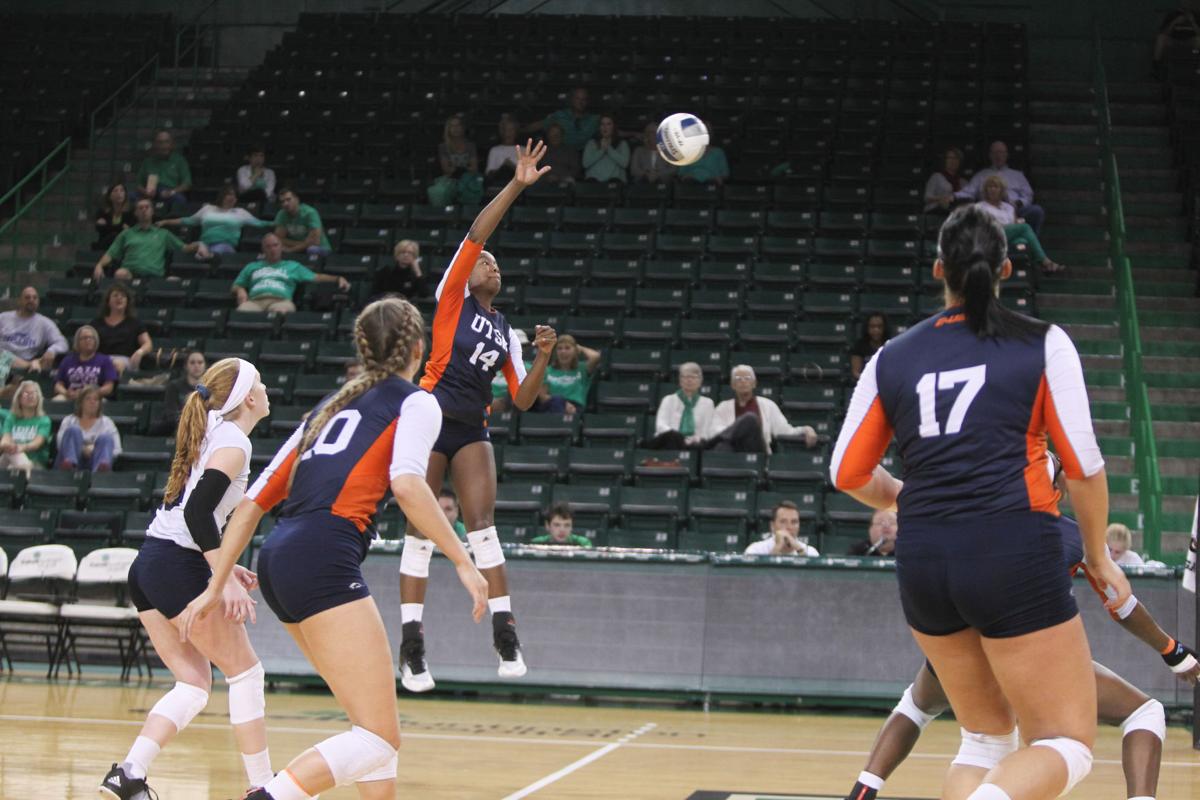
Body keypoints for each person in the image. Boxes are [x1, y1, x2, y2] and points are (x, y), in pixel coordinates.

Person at [829, 204, 1130, 800]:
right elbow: (1085, 468)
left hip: (923, 561)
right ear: (1008, 269)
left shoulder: (893, 356)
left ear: (939, 268)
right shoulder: (1042, 343)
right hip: (1011, 550)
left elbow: (845, 472)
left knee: (986, 738)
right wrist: (1097, 555)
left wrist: (898, 494)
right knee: (1066, 741)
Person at [178, 298, 489, 800]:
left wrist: (217, 584)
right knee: (381, 735)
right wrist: (462, 560)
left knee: (369, 728)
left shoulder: (327, 406)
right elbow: (408, 485)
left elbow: (254, 502)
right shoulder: (415, 400)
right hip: (323, 554)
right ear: (418, 348)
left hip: (281, 555)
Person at [843, 502, 1200, 800]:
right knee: (1130, 719)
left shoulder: (957, 516)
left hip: (955, 641)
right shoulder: (1071, 533)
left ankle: (863, 789)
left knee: (977, 741)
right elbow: (1122, 605)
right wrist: (1172, 650)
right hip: (1031, 650)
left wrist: (865, 787)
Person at [399, 140, 558, 694]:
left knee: (482, 526)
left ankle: (504, 631)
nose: (493, 264)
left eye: (496, 264)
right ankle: (412, 645)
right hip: (426, 413)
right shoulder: (451, 298)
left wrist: (539, 357)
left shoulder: (507, 330)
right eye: (486, 262)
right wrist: (517, 184)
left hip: (470, 425)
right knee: (420, 529)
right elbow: (478, 233)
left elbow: (521, 399)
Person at [98, 357, 272, 800]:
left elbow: (193, 517)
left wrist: (226, 564)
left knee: (194, 683)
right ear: (249, 397)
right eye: (263, 384)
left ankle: (129, 773)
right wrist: (222, 578)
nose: (269, 391)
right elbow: (196, 513)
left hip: (150, 563)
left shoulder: (213, 429)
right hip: (176, 563)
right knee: (247, 673)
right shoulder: (234, 441)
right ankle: (262, 788)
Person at [707, 365, 817, 454]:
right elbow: (714, 431)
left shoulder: (768, 405)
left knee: (750, 419)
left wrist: (805, 429)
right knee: (722, 446)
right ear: (732, 385)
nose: (743, 382)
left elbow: (785, 431)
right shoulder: (723, 407)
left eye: (747, 378)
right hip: (733, 451)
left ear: (754, 384)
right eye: (738, 379)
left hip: (758, 452)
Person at [93, 197, 211, 280]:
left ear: (152, 211)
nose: (144, 210)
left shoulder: (163, 234)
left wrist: (199, 244)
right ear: (136, 213)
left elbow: (184, 248)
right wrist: (99, 265)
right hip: (130, 274)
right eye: (140, 208)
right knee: (120, 273)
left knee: (174, 282)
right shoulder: (126, 234)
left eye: (147, 207)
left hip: (155, 277)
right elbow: (111, 253)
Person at [232, 233, 350, 315]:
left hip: (280, 301)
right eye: (268, 247)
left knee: (280, 312)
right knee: (242, 312)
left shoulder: (292, 266)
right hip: (255, 301)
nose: (272, 249)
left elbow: (316, 277)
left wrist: (337, 278)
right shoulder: (252, 266)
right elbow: (236, 285)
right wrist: (240, 290)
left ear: (281, 247)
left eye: (275, 245)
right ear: (263, 250)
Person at [976, 175, 1066, 276]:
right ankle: (1046, 262)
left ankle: (1030, 276)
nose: (993, 189)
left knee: (1023, 241)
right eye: (990, 187)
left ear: (1001, 190)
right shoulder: (980, 207)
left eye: (996, 187)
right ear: (985, 190)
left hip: (1008, 237)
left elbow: (1014, 223)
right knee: (1025, 228)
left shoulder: (1008, 207)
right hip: (992, 236)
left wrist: (1017, 223)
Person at [954, 140, 1045, 234]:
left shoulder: (1017, 175)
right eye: (995, 153)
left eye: (1001, 152)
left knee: (1036, 211)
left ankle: (1027, 242)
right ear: (990, 155)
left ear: (1006, 155)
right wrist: (952, 196)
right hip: (990, 210)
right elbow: (968, 192)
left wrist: (1017, 203)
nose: (998, 156)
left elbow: (1028, 195)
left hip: (1015, 209)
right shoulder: (981, 175)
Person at [158, 185, 271, 255]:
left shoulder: (240, 212)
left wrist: (278, 223)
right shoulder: (208, 209)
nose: (233, 197)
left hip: (226, 247)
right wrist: (166, 221)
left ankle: (204, 254)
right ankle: (202, 251)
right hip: (206, 244)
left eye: (235, 195)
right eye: (229, 194)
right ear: (223, 195)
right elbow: (189, 221)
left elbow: (260, 223)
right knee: (197, 247)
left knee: (216, 249)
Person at [0, 286, 68, 373]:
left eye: (34, 298)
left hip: (22, 369)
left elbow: (63, 343)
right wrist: (29, 364)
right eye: (27, 297)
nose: (31, 300)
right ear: (19, 301)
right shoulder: (3, 318)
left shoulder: (45, 323)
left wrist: (52, 351)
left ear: (38, 301)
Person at [648, 362, 714, 450]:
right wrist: (680, 438)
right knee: (672, 437)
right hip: (670, 441)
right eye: (686, 377)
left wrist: (694, 440)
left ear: (700, 381)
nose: (689, 380)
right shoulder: (668, 400)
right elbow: (661, 425)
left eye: (693, 377)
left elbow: (706, 431)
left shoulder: (708, 403)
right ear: (680, 380)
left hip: (694, 444)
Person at [55, 386, 121, 472]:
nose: (92, 402)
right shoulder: (69, 420)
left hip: (95, 461)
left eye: (96, 399)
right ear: (81, 402)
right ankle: (70, 466)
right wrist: (82, 449)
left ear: (100, 403)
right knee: (73, 430)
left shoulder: (107, 423)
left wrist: (95, 449)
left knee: (106, 438)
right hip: (70, 461)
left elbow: (117, 449)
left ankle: (100, 472)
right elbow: (60, 443)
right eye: (88, 399)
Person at [90, 283, 152, 374]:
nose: (119, 298)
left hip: (125, 360)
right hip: (102, 360)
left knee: (117, 365)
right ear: (108, 301)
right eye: (115, 295)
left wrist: (140, 352)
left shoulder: (135, 323)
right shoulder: (96, 323)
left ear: (127, 302)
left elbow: (148, 343)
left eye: (123, 296)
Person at [52, 325, 118, 402]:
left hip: (95, 397)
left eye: (91, 338)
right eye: (84, 338)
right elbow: (58, 385)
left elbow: (109, 386)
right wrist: (66, 393)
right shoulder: (67, 360)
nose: (88, 340)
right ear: (77, 342)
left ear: (95, 341)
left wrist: (92, 393)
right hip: (72, 396)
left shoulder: (105, 360)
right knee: (57, 400)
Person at [428, 116, 483, 207]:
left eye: (458, 126)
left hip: (468, 179)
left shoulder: (470, 146)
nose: (455, 129)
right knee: (440, 191)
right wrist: (463, 167)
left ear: (463, 128)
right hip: (451, 179)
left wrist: (457, 168)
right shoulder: (443, 147)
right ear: (448, 129)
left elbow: (474, 168)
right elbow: (447, 169)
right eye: (452, 126)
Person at [0, 380, 51, 477]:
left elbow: (36, 443)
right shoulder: (11, 418)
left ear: (38, 398)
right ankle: (23, 479)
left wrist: (21, 447)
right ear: (19, 398)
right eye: (26, 393)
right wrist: (9, 446)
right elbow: (5, 440)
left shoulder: (44, 420)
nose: (30, 396)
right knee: (11, 453)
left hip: (35, 463)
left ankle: (22, 475)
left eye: (34, 393)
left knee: (13, 461)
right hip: (11, 458)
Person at [136, 130, 192, 214]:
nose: (163, 145)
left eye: (166, 142)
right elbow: (138, 184)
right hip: (149, 192)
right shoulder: (147, 162)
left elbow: (187, 184)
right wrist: (145, 192)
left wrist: (172, 192)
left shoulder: (180, 160)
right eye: (159, 142)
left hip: (170, 192)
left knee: (180, 199)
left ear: (172, 144)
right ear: (155, 144)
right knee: (131, 197)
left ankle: (172, 223)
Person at [527, 87, 599, 151]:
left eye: (584, 99)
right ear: (571, 99)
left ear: (588, 101)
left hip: (587, 154)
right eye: (577, 98)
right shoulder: (560, 115)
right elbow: (540, 124)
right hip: (563, 153)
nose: (580, 102)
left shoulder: (594, 119)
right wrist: (520, 131)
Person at [544, 334, 600, 414]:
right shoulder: (547, 370)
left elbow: (596, 356)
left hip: (575, 408)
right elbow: (543, 396)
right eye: (559, 348)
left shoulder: (582, 369)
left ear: (575, 351)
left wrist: (580, 348)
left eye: (567, 348)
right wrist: (563, 403)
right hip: (553, 406)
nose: (563, 351)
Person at [157, 350, 207, 435]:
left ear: (205, 366)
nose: (196, 366)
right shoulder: (174, 387)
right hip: (181, 430)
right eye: (192, 363)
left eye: (200, 362)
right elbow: (171, 414)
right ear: (186, 366)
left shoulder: (210, 388)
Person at [273, 188, 332, 257]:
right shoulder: (282, 214)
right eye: (282, 202)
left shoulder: (310, 213)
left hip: (320, 248)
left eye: (288, 199)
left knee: (311, 249)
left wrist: (291, 250)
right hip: (300, 246)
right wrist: (302, 244)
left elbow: (314, 242)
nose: (285, 203)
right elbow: (279, 239)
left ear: (297, 199)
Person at [744, 501, 819, 556]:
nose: (789, 527)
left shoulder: (810, 552)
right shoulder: (756, 550)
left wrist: (798, 549)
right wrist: (778, 547)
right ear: (772, 526)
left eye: (794, 522)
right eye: (783, 522)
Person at [582, 115, 630, 183]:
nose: (605, 127)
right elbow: (585, 164)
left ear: (613, 127)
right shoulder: (591, 143)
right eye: (602, 124)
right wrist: (602, 150)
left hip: (615, 181)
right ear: (599, 127)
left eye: (608, 124)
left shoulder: (622, 143)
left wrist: (608, 148)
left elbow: (625, 164)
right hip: (594, 182)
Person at [850, 313, 893, 381]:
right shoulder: (859, 346)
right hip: (865, 384)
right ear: (867, 328)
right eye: (872, 326)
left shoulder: (891, 345)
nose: (876, 330)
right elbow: (856, 372)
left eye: (880, 326)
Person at [94, 181, 136, 251]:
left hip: (125, 244)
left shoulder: (131, 212)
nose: (119, 193)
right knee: (113, 236)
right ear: (110, 196)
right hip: (106, 245)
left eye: (122, 191)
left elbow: (130, 231)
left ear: (125, 194)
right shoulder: (103, 212)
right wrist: (121, 227)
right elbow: (99, 229)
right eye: (115, 191)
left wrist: (108, 226)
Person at [924, 147, 966, 213]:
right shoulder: (936, 177)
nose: (953, 161)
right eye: (950, 158)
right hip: (936, 212)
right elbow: (927, 197)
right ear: (945, 160)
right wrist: (942, 199)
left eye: (956, 158)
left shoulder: (963, 182)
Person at [484, 115, 520, 186]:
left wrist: (512, 166)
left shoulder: (523, 149)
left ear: (516, 131)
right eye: (506, 130)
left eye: (511, 130)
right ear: (501, 132)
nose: (508, 133)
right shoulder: (495, 150)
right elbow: (489, 174)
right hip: (498, 185)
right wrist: (502, 167)